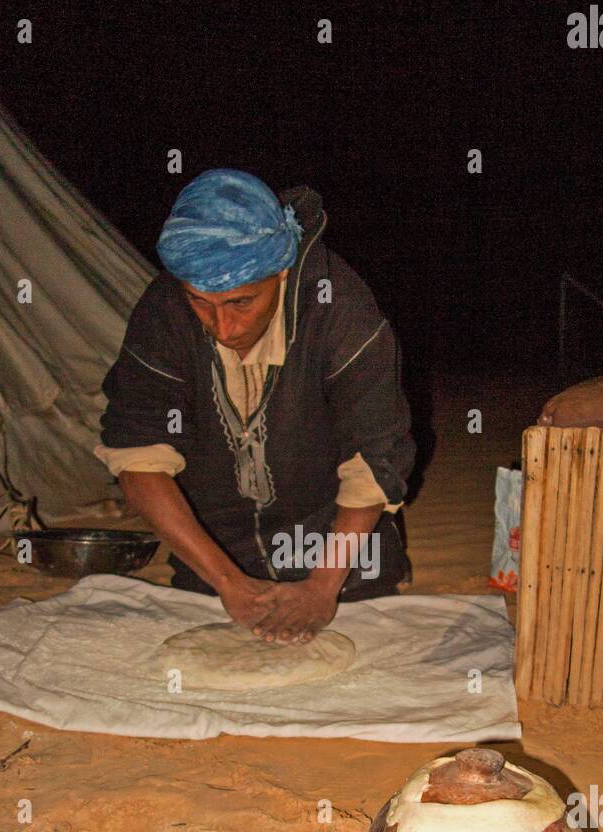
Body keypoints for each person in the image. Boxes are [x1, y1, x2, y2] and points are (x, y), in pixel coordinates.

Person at [96, 169, 415, 645]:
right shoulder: (163, 311)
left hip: (339, 554)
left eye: (241, 302)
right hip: (216, 556)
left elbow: (376, 459)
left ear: (281, 272)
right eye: (200, 302)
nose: (222, 328)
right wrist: (227, 582)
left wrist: (322, 587)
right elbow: (137, 453)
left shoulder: (341, 312)